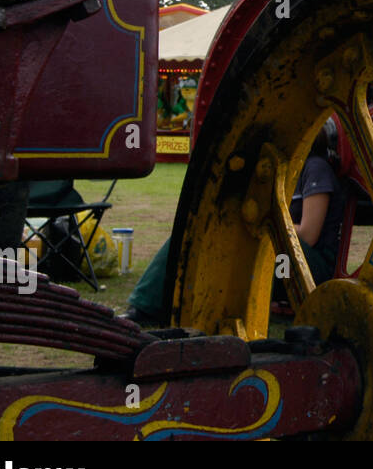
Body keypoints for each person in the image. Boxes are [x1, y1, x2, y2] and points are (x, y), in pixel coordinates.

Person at [125, 120, 345, 326]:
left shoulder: (316, 168)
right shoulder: (288, 168)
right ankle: (159, 307)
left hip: (303, 269)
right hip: (283, 257)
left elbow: (308, 234)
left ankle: (147, 308)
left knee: (238, 244)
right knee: (201, 234)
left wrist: (265, 223)